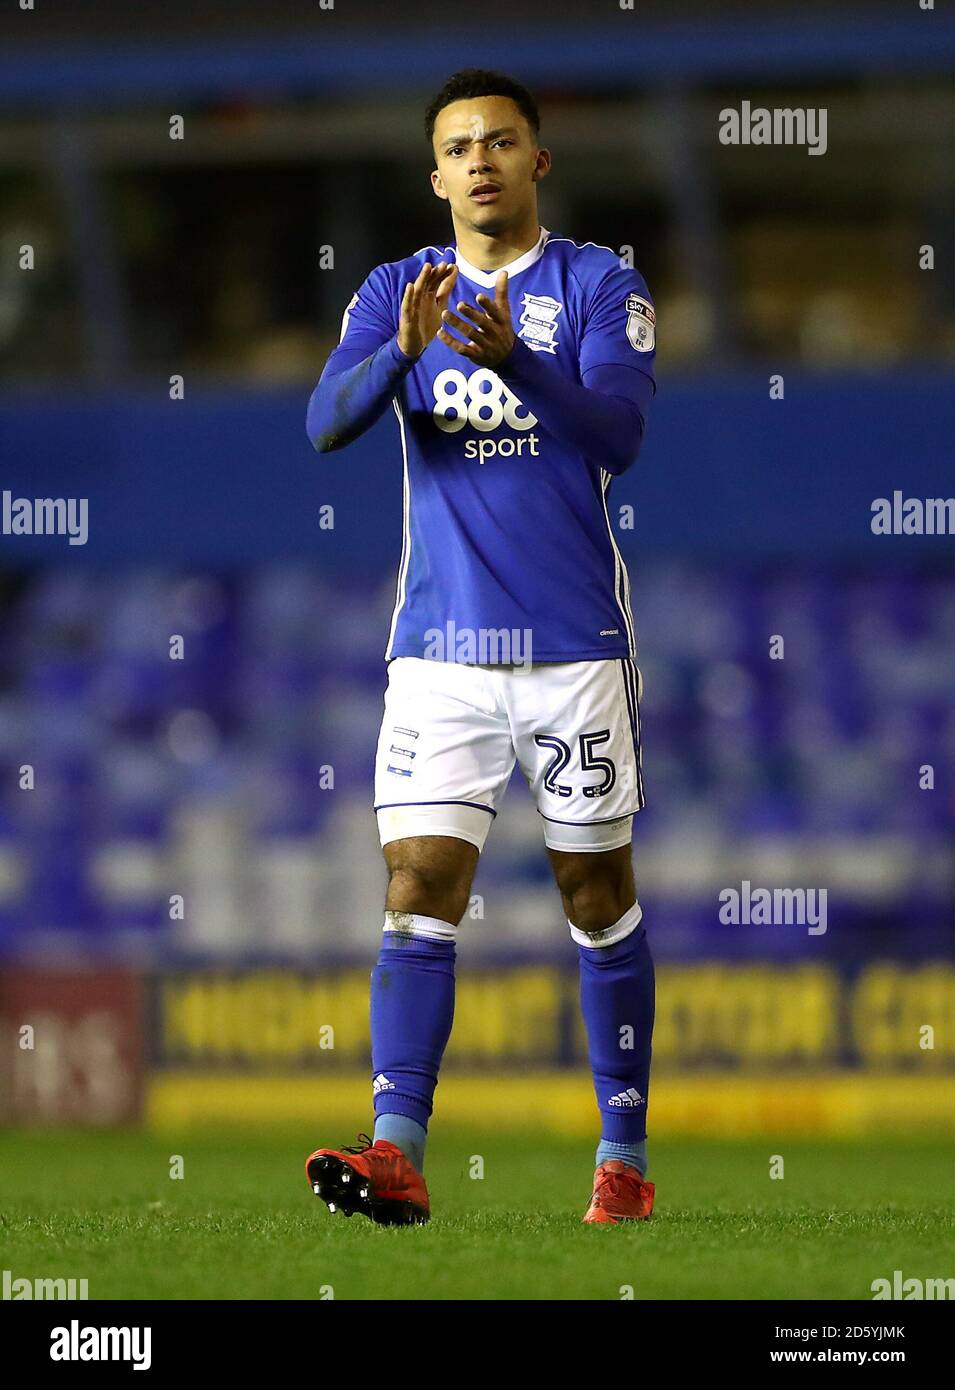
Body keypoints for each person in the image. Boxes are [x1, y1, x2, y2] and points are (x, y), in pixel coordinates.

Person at [305, 68, 657, 1225]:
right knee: (417, 886)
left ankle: (622, 1155)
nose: (480, 162)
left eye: (501, 142)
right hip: (440, 651)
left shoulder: (599, 281)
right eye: (458, 148)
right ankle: (397, 1146)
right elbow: (326, 423)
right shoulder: (398, 288)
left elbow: (618, 434)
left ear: (536, 160)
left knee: (594, 893)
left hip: (570, 646)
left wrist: (517, 363)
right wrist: (405, 356)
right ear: (436, 173)